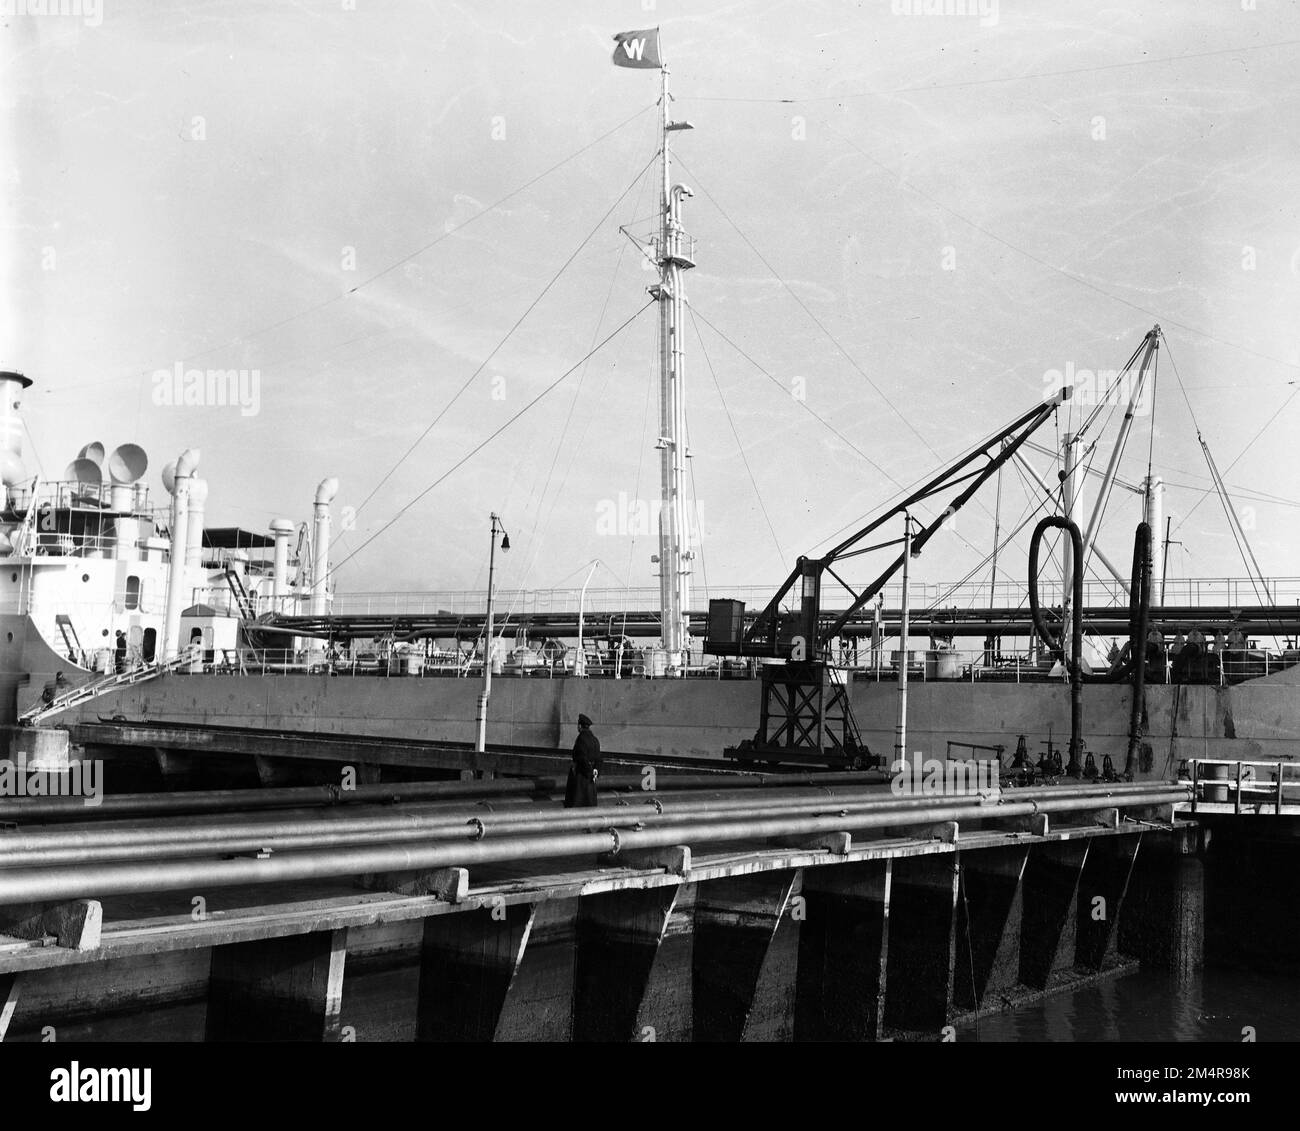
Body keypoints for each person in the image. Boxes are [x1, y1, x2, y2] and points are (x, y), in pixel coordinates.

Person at [564, 713, 601, 809]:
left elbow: (581, 758)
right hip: (591, 777)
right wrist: (595, 771)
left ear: (580, 726)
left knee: (577, 801)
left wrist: (588, 772)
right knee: (590, 802)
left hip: (581, 776)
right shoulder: (595, 739)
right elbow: (599, 758)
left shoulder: (581, 739)